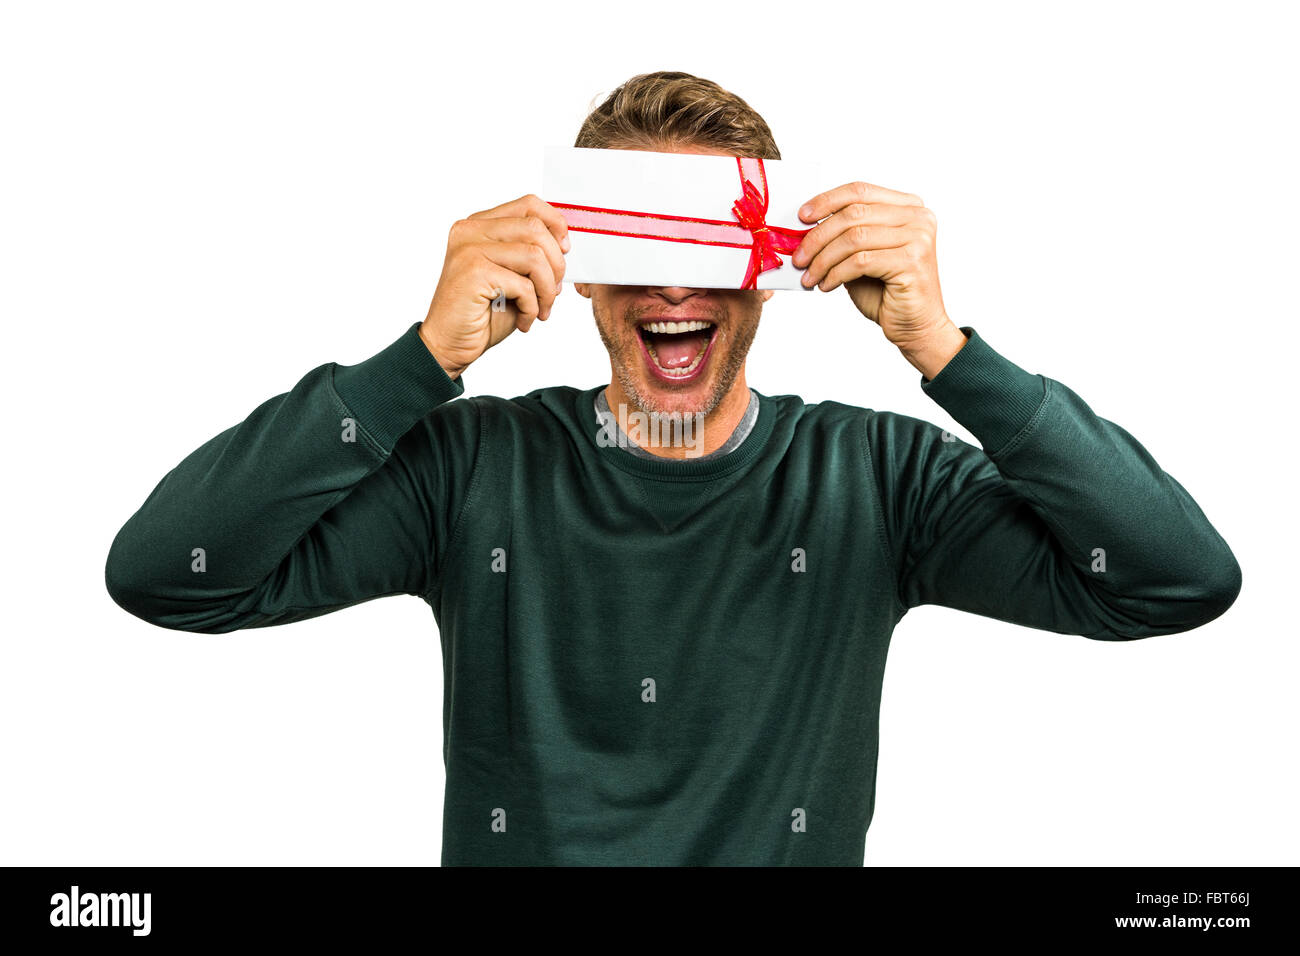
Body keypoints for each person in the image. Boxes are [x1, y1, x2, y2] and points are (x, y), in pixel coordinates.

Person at [105, 70, 1242, 866]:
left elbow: (1173, 579)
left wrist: (949, 354)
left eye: (703, 251)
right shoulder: (469, 465)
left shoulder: (879, 476)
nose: (672, 292)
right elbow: (171, 574)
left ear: (768, 272)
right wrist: (419, 360)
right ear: (580, 273)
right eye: (634, 250)